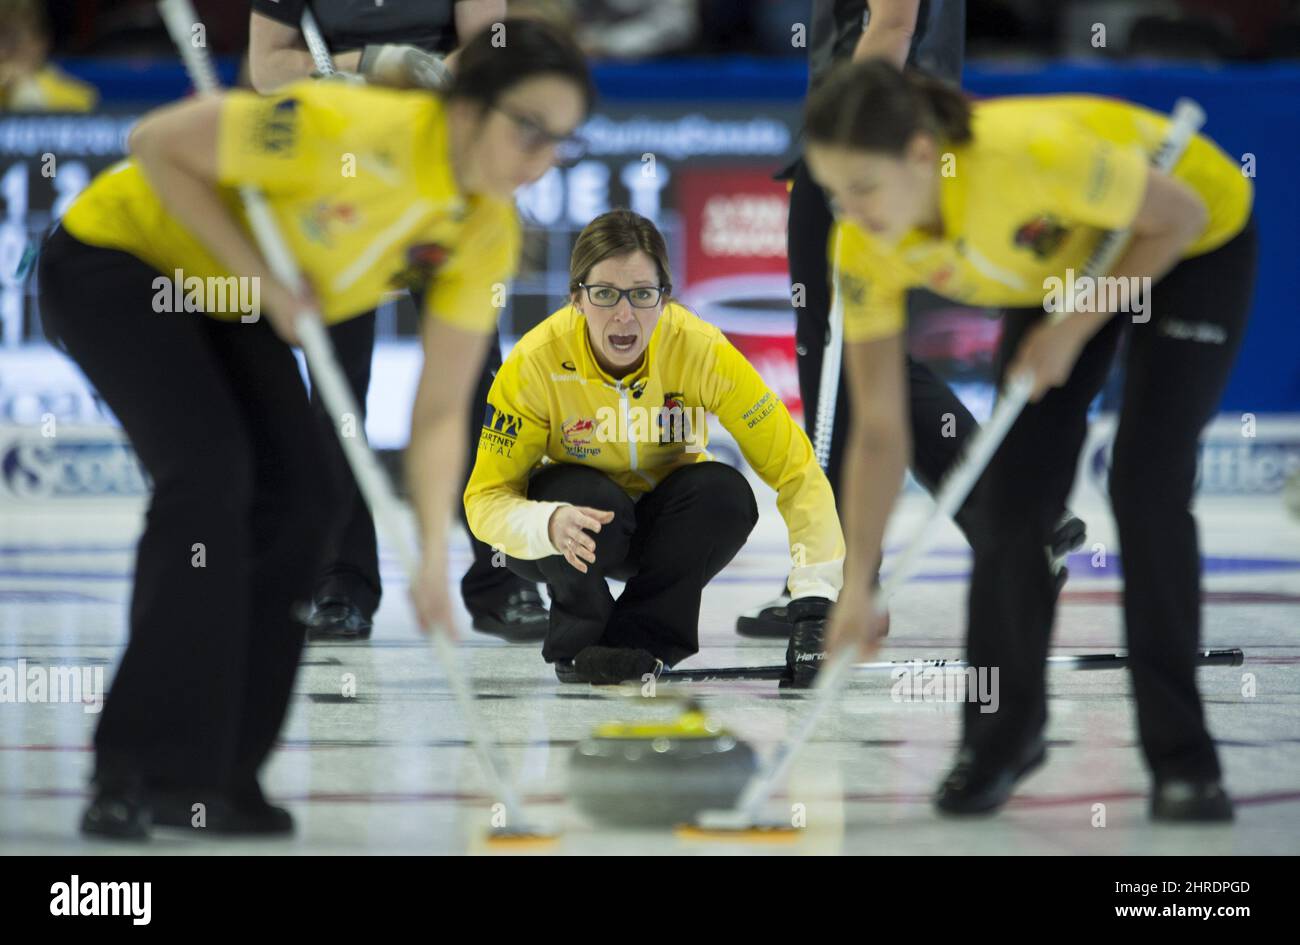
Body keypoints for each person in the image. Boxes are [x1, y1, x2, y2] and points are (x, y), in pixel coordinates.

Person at [39, 19, 592, 839]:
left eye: (561, 142)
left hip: (237, 294)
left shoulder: (484, 228)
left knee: (309, 499)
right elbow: (155, 140)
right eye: (529, 130)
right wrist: (262, 277)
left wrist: (436, 564)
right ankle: (132, 765)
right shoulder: (347, 125)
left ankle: (218, 775)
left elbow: (442, 409)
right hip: (123, 263)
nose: (540, 158)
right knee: (210, 477)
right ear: (469, 105)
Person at [813, 61, 1255, 821]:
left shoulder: (1024, 154)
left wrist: (1075, 327)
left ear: (922, 155)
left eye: (864, 186)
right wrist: (858, 583)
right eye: (833, 192)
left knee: (1145, 484)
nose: (850, 212)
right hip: (1059, 266)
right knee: (1012, 507)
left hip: (1191, 235)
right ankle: (1000, 739)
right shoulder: (862, 246)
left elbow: (1175, 218)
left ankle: (1185, 758)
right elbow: (882, 429)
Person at [739, 0, 1087, 637]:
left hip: (872, 141)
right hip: (884, 139)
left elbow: (894, 23)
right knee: (862, 356)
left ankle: (838, 575)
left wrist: (847, 147)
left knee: (839, 351)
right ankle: (1007, 523)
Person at [246, 1, 550, 641]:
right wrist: (372, 67)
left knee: (474, 385)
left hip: (445, 158)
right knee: (335, 383)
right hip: (336, 169)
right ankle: (338, 579)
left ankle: (503, 574)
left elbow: (490, 45)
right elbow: (266, 67)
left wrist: (413, 75)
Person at [463, 209, 845, 685]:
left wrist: (813, 606)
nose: (624, 315)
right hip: (569, 534)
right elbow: (485, 499)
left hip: (662, 535)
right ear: (576, 298)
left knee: (723, 494)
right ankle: (579, 644)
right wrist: (546, 523)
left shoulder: (702, 351)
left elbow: (797, 472)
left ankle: (640, 644)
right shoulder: (535, 363)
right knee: (583, 494)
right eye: (604, 294)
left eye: (643, 294)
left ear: (665, 298)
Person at [0, 0, 98, 113]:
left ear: (39, 42)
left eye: (13, 40)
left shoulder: (76, 99)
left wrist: (25, 88)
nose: (1, 52)